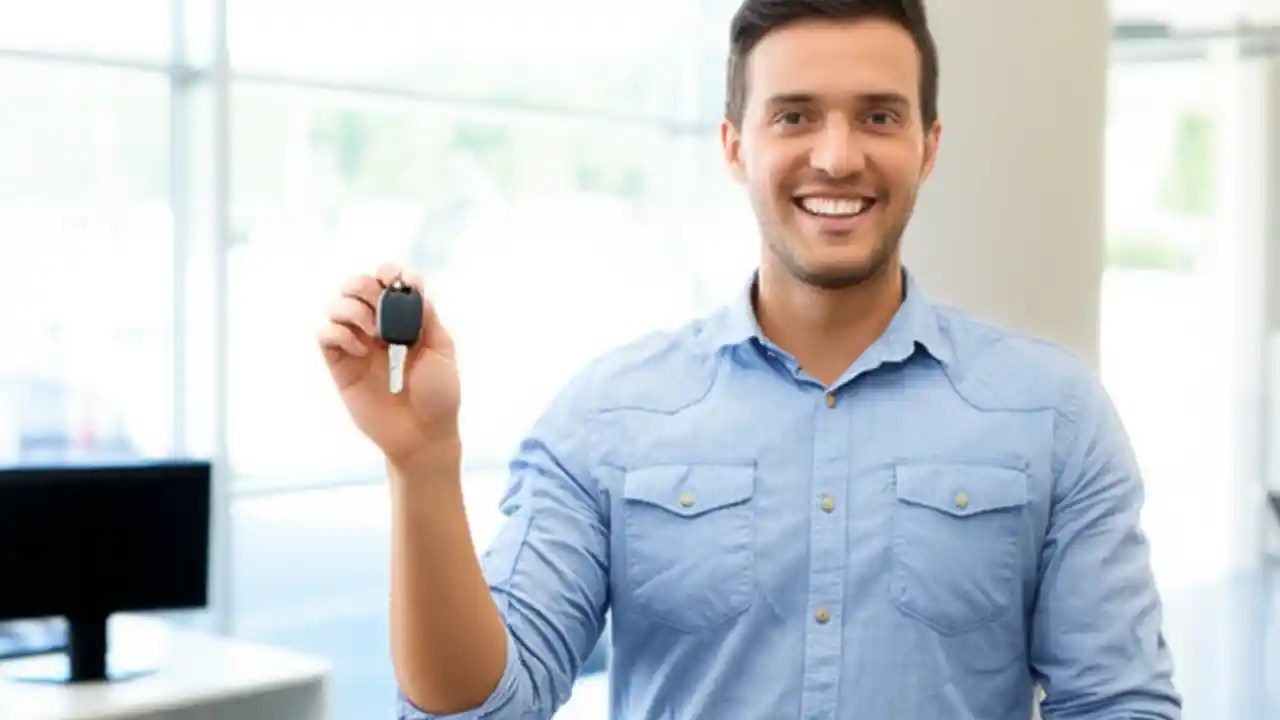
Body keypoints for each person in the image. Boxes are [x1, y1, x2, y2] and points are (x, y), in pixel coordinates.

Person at [317, 1, 1182, 718]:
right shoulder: (612, 414)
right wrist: (422, 462)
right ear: (736, 146)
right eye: (794, 115)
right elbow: (480, 708)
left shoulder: (1054, 415)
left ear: (929, 144)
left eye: (879, 115)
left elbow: (1120, 705)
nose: (838, 156)